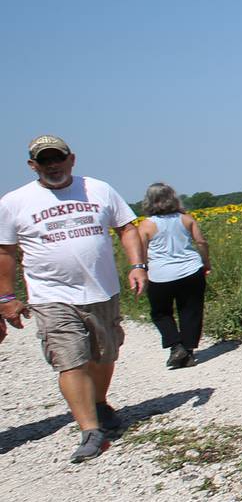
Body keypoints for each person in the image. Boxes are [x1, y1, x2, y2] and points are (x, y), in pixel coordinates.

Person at [0, 136, 146, 462]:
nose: (53, 166)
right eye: (45, 160)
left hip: (101, 289)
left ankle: (98, 402)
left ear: (72, 159)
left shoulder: (99, 189)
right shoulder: (14, 202)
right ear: (32, 165)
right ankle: (90, 430)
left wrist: (138, 265)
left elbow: (127, 227)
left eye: (58, 158)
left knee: (104, 353)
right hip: (50, 295)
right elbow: (6, 252)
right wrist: (6, 296)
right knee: (71, 359)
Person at [136, 183, 212, 368]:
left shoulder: (146, 225)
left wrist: (142, 270)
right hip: (191, 270)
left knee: (161, 312)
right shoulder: (186, 219)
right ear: (173, 198)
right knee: (191, 310)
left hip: (160, 274)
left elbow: (141, 251)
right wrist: (206, 262)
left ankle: (175, 345)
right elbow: (201, 242)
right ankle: (188, 351)